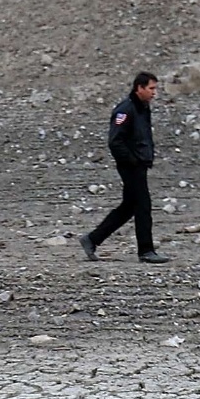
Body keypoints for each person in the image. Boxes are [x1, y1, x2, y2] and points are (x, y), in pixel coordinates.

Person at [81, 72, 170, 264]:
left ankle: (92, 239)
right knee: (143, 205)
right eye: (151, 88)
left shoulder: (142, 108)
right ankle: (146, 250)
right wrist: (132, 160)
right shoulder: (125, 110)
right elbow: (115, 141)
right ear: (139, 88)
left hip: (139, 164)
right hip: (131, 167)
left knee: (129, 207)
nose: (154, 93)